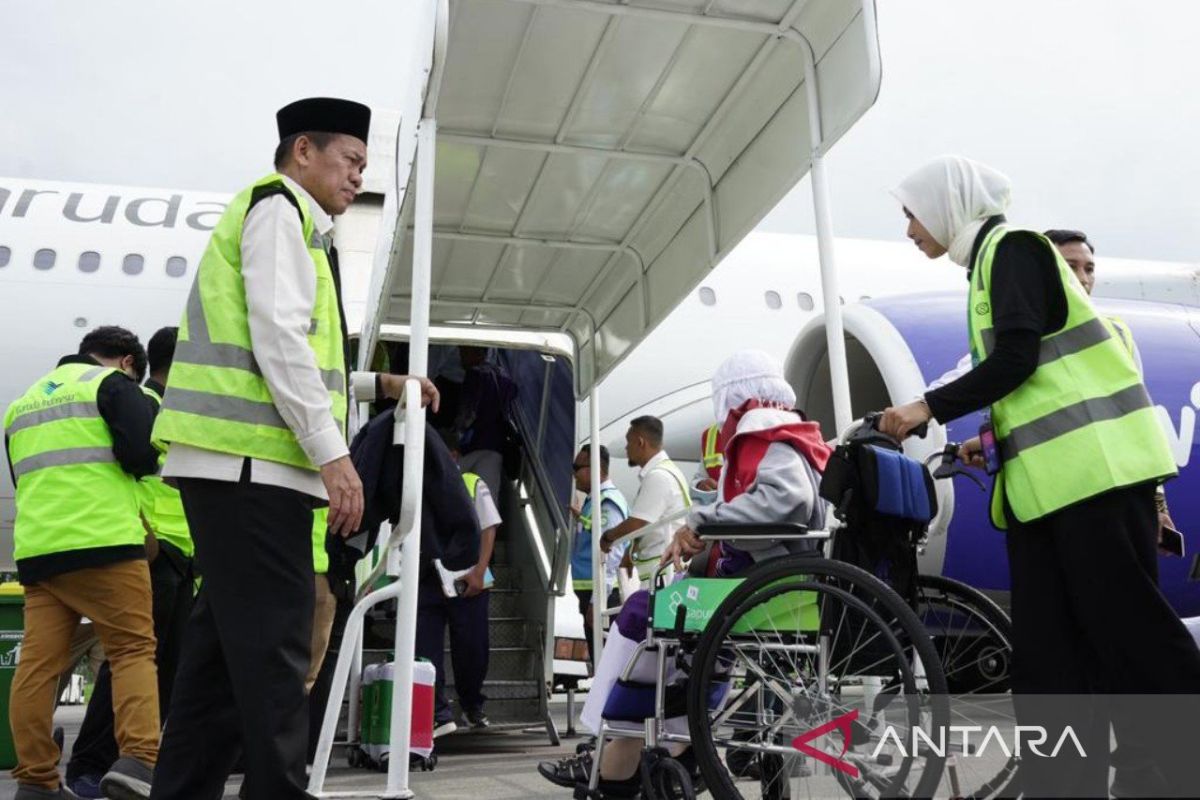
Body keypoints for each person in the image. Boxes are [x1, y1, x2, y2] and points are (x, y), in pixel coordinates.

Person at [880, 155, 1200, 796]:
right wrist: (986, 440)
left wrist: (926, 408)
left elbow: (1021, 360)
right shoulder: (981, 274)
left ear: (948, 204)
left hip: (1098, 482)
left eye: (913, 214)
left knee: (1133, 638)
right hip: (1047, 497)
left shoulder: (1013, 249)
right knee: (1049, 667)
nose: (911, 230)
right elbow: (1036, 386)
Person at [147, 98, 438, 800]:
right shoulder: (279, 211)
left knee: (218, 666)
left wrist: (380, 382)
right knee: (278, 660)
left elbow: (297, 355)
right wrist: (333, 456)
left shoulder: (297, 228)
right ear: (302, 150)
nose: (358, 177)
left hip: (239, 470)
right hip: (254, 473)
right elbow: (278, 338)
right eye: (351, 161)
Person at [539, 350, 830, 794]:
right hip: (772, 580)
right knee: (673, 635)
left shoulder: (764, 433)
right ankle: (658, 742)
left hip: (762, 586)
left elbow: (787, 501)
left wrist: (704, 522)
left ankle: (603, 740)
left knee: (639, 612)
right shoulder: (793, 433)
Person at [3, 326, 161, 800]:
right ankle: (138, 762)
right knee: (132, 650)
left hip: (40, 552)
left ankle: (36, 778)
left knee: (38, 667)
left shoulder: (22, 406)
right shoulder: (110, 386)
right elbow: (141, 454)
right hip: (105, 544)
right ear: (127, 362)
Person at [64, 327, 195, 798]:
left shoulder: (173, 411)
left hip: (181, 556)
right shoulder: (147, 408)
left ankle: (135, 764)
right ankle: (89, 764)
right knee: (130, 663)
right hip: (156, 552)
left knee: (163, 667)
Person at [414, 452, 500, 736]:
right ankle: (437, 713)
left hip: (469, 579)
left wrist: (479, 570)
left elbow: (489, 528)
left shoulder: (472, 482)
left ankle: (472, 704)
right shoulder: (415, 483)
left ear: (453, 457)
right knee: (426, 651)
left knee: (473, 650)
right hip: (428, 579)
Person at [598, 416, 690, 584]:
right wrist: (630, 553)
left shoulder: (659, 476)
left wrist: (608, 537)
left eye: (628, 442)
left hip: (662, 571)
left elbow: (637, 523)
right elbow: (648, 523)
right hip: (662, 570)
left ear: (640, 442)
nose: (626, 448)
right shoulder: (666, 471)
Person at [568, 445, 629, 668]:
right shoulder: (595, 500)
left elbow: (612, 553)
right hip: (591, 590)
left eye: (577, 467)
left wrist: (597, 600)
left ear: (595, 468)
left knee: (606, 663)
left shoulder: (607, 501)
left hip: (601, 592)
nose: (573, 473)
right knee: (599, 660)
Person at [453, 345, 517, 493]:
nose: (460, 357)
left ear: (477, 352)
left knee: (449, 485)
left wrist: (459, 444)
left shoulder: (474, 375)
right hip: (495, 444)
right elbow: (514, 391)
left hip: (473, 444)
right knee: (487, 496)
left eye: (464, 352)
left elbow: (468, 414)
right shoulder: (501, 374)